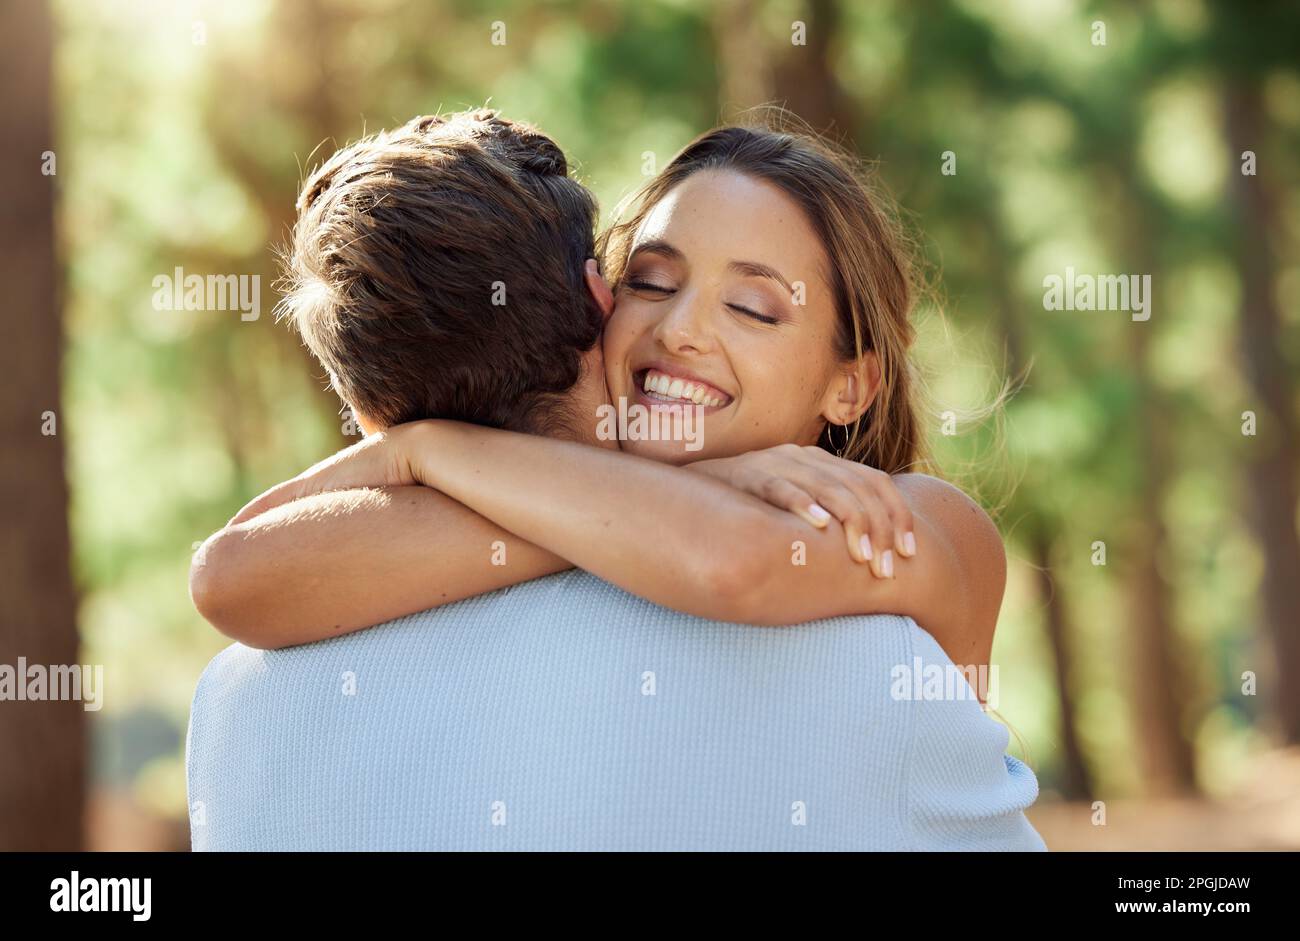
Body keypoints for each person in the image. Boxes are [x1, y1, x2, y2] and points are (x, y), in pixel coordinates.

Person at [185, 108, 1045, 850]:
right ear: (600, 307)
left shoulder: (919, 523)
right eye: (652, 280)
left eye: (752, 306)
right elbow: (233, 573)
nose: (682, 330)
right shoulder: (566, 522)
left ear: (849, 382)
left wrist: (423, 452)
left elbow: (733, 558)